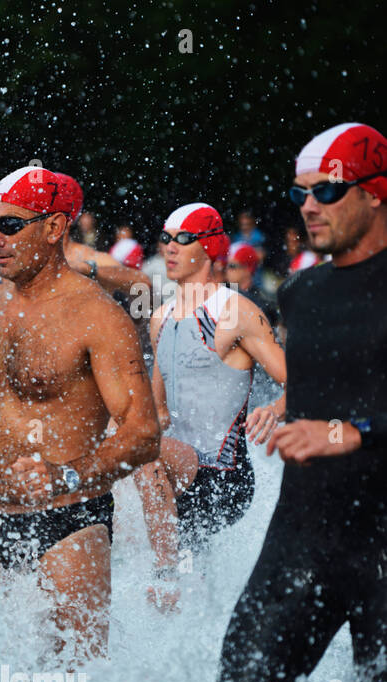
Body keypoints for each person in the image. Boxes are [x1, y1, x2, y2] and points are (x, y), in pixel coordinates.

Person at [185, 122, 387, 682]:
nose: (309, 207)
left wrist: (354, 431)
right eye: (302, 193)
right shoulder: (303, 293)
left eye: (327, 190)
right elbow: (344, 380)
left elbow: (360, 412)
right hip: (303, 540)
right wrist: (290, 405)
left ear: (377, 192)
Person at [0, 166, 160, 664]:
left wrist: (64, 476)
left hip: (69, 521)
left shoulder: (98, 316)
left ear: (53, 228)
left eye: (10, 225)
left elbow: (143, 434)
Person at [132, 204, 287, 605]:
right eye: (166, 238)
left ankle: (165, 576)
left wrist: (276, 408)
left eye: (183, 238)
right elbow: (157, 412)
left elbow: (304, 381)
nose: (170, 247)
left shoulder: (235, 313)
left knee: (144, 452)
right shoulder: (160, 319)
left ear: (210, 247)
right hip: (180, 474)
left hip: (225, 478)